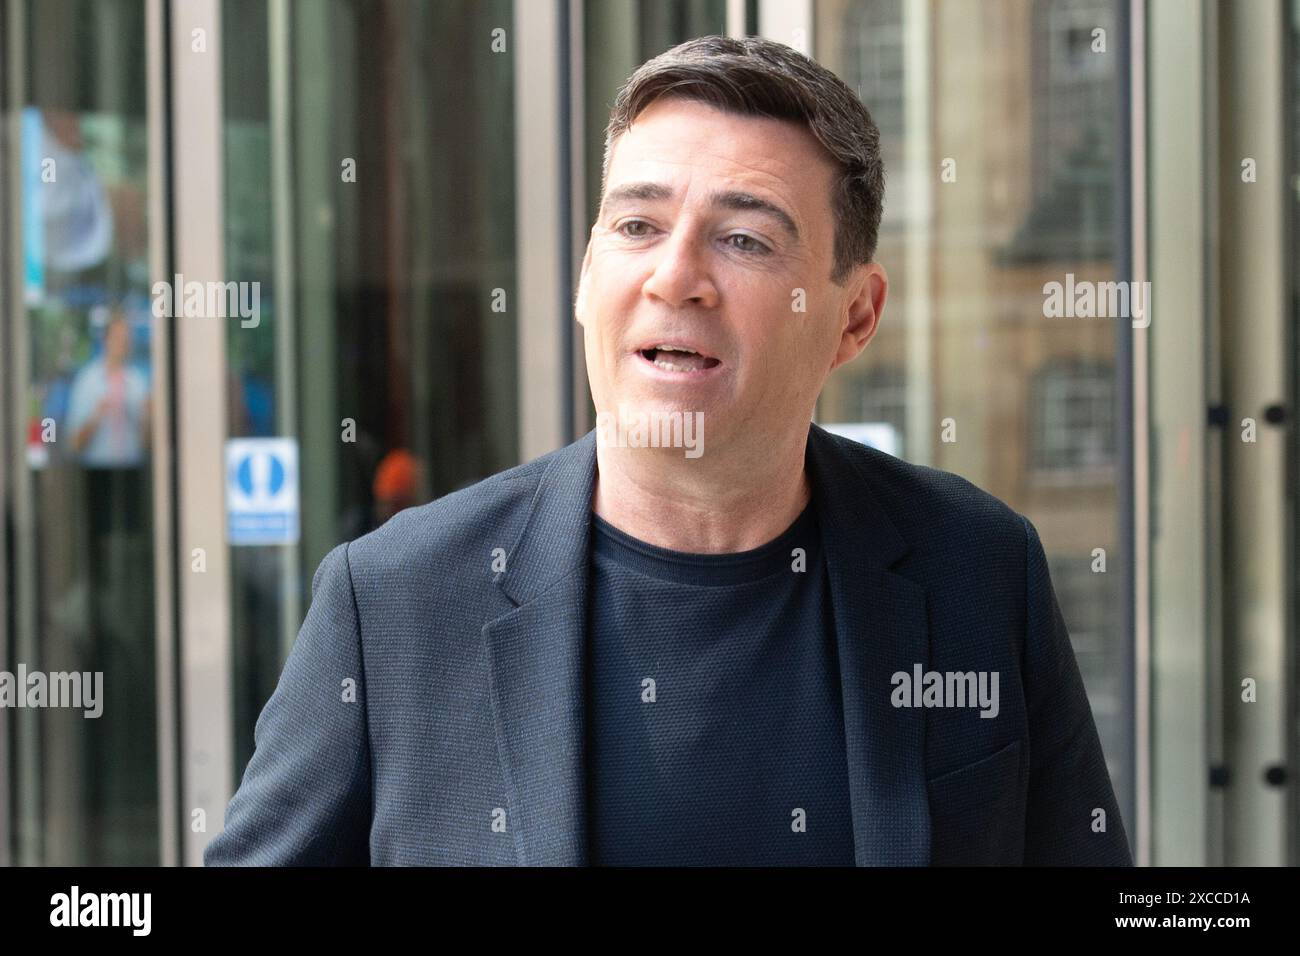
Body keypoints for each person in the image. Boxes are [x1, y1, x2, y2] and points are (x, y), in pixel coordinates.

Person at [205, 35, 1131, 866]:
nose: (675, 276)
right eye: (637, 225)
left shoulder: (978, 567)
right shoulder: (396, 600)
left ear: (854, 316)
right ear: (584, 276)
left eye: (744, 239)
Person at [66, 312, 150, 468]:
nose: (123, 344)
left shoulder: (138, 382)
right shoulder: (87, 382)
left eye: (126, 339)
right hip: (96, 473)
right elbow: (74, 444)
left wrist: (148, 417)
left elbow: (147, 444)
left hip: (133, 471)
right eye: (118, 338)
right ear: (105, 340)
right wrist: (96, 417)